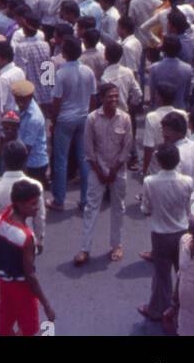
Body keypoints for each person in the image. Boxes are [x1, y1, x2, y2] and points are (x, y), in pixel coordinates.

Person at [75, 82, 132, 266]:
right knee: (91, 208)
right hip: (96, 169)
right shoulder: (92, 119)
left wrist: (114, 170)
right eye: (110, 96)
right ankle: (84, 248)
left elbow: (127, 147)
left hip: (118, 170)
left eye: (116, 96)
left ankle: (116, 245)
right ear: (101, 98)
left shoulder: (125, 118)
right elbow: (88, 150)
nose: (114, 99)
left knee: (118, 207)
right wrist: (100, 172)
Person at [0, 179, 56, 337]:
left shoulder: (1, 218)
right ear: (20, 204)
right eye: (33, 204)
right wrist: (46, 304)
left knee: (5, 326)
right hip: (22, 290)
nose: (37, 208)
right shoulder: (26, 237)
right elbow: (30, 276)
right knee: (28, 329)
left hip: (4, 284)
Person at [138, 144, 193, 323]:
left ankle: (158, 310)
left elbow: (146, 209)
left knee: (162, 276)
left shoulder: (150, 182)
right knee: (183, 273)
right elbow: (193, 209)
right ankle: (184, 307)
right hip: (182, 232)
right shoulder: (187, 181)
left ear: (159, 162)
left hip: (160, 235)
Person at [47, 36, 96, 212]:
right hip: (83, 117)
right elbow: (92, 96)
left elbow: (56, 100)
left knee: (61, 160)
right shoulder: (88, 71)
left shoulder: (60, 73)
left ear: (65, 53)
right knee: (84, 159)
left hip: (65, 120)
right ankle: (84, 200)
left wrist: (53, 119)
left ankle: (59, 200)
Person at [11, 79, 49, 185]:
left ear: (30, 97)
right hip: (27, 160)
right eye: (17, 100)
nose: (19, 104)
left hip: (34, 164)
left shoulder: (34, 118)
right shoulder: (23, 108)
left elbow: (26, 148)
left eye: (22, 100)